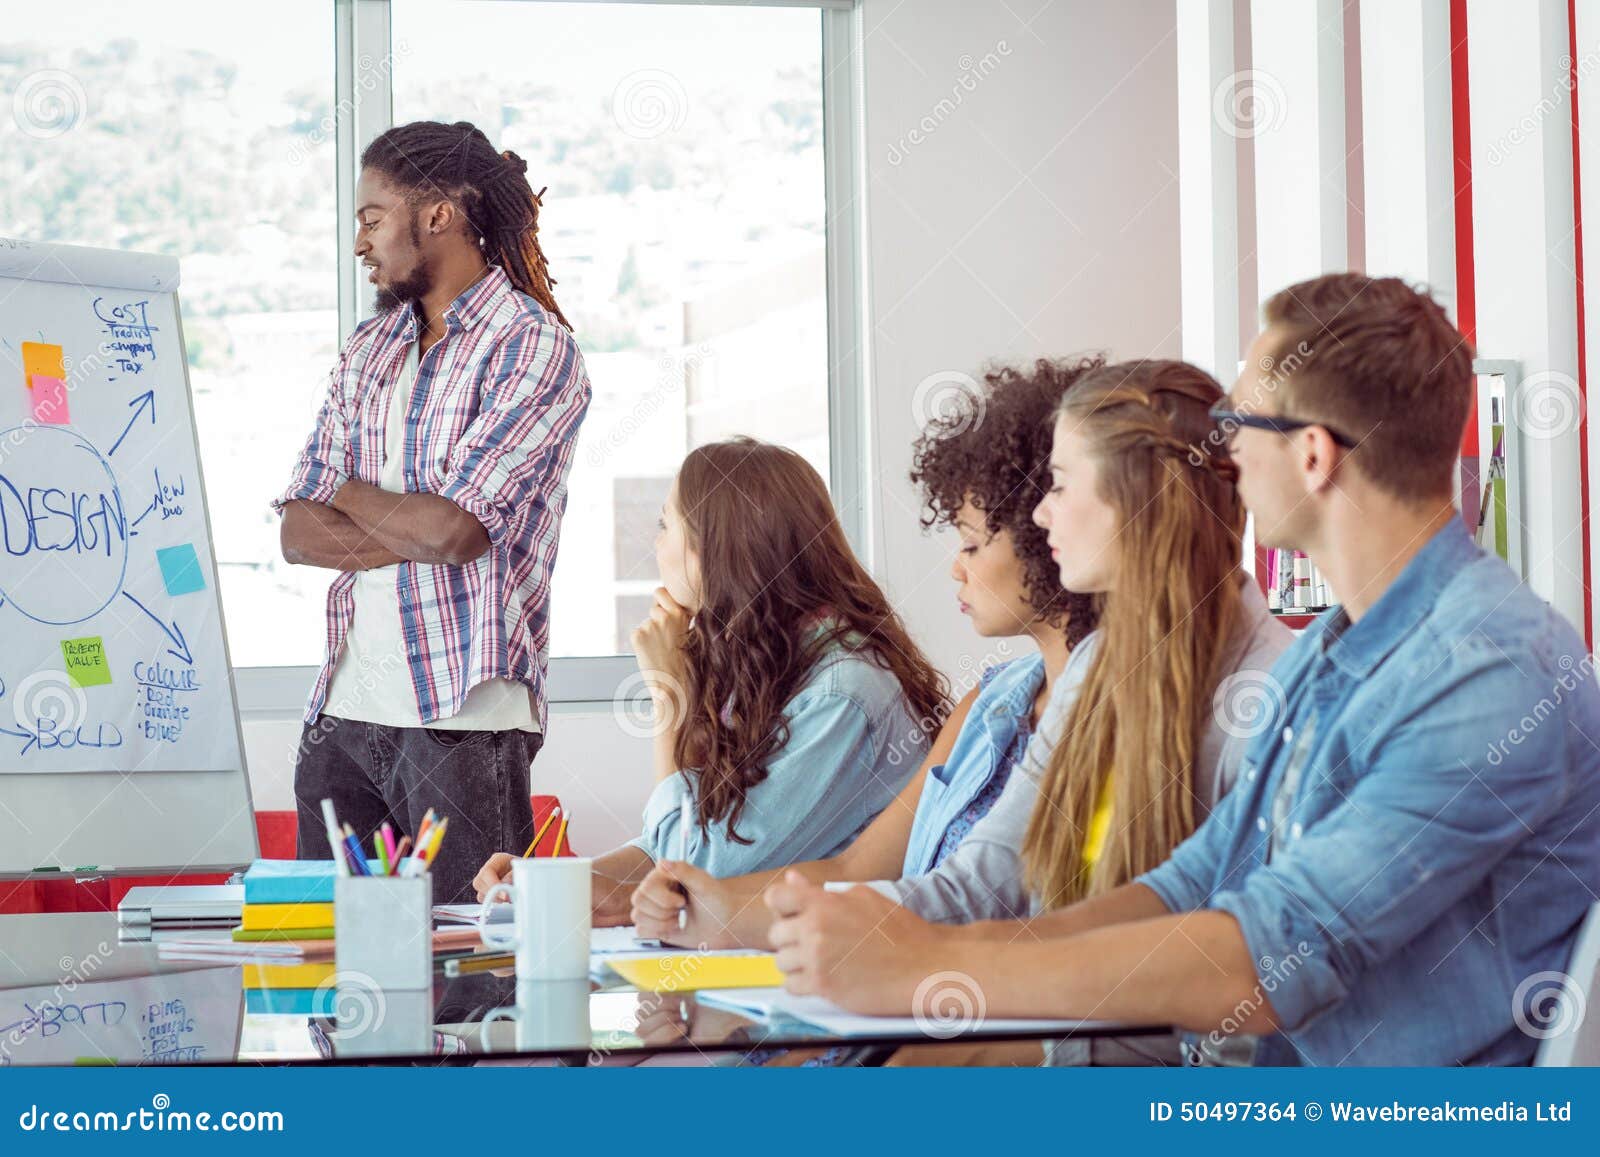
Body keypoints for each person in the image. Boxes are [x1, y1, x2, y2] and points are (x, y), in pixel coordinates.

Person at [768, 275, 1600, 1067]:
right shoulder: (1337, 648)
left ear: (1313, 455)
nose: (1224, 452)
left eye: (1242, 421)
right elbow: (1193, 880)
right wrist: (948, 955)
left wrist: (933, 975)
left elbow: (1274, 951)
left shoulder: (1486, 670)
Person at [630, 358, 1101, 953]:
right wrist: (593, 892)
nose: (956, 566)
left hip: (962, 1004)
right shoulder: (992, 700)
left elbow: (963, 897)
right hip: (917, 984)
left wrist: (670, 702)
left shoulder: (847, 690)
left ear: (1045, 539)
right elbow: (858, 870)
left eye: (972, 543)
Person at [273, 120, 591, 902]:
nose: (359, 242)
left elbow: (456, 533)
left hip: (462, 713)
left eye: (372, 217)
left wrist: (345, 490)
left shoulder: (531, 347)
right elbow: (296, 531)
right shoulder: (368, 350)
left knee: (469, 986)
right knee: (335, 982)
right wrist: (402, 516)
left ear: (438, 215)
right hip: (343, 717)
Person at [475, 438, 948, 924]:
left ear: (712, 552)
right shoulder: (768, 665)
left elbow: (694, 869)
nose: (656, 546)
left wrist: (668, 697)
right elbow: (672, 840)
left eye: (665, 525)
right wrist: (547, 883)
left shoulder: (844, 694)